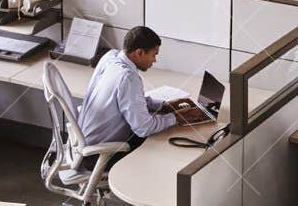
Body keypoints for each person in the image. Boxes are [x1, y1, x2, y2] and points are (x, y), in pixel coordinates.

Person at [77, 27, 207, 167]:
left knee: (158, 133)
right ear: (139, 52)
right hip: (99, 155)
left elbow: (129, 100)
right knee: (159, 145)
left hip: (83, 145)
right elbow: (143, 128)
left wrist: (164, 106)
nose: (155, 60)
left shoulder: (111, 57)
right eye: (153, 55)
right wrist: (178, 118)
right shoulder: (128, 77)